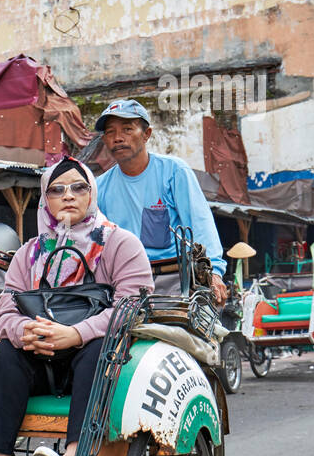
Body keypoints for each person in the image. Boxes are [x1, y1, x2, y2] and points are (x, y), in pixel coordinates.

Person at [0, 157, 154, 456]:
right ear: (46, 200)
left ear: (92, 194)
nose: (69, 195)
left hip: (94, 366)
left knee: (98, 351)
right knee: (5, 354)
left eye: (79, 187)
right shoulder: (29, 253)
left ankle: (75, 454)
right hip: (41, 358)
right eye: (57, 190)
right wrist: (26, 332)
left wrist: (75, 334)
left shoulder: (121, 244)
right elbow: (5, 310)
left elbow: (131, 307)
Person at [94, 99, 228, 303]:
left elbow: (200, 224)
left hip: (174, 278)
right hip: (124, 280)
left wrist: (214, 272)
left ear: (146, 135)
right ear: (104, 140)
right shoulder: (99, 186)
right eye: (110, 132)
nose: (118, 138)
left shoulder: (174, 172)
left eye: (127, 129)